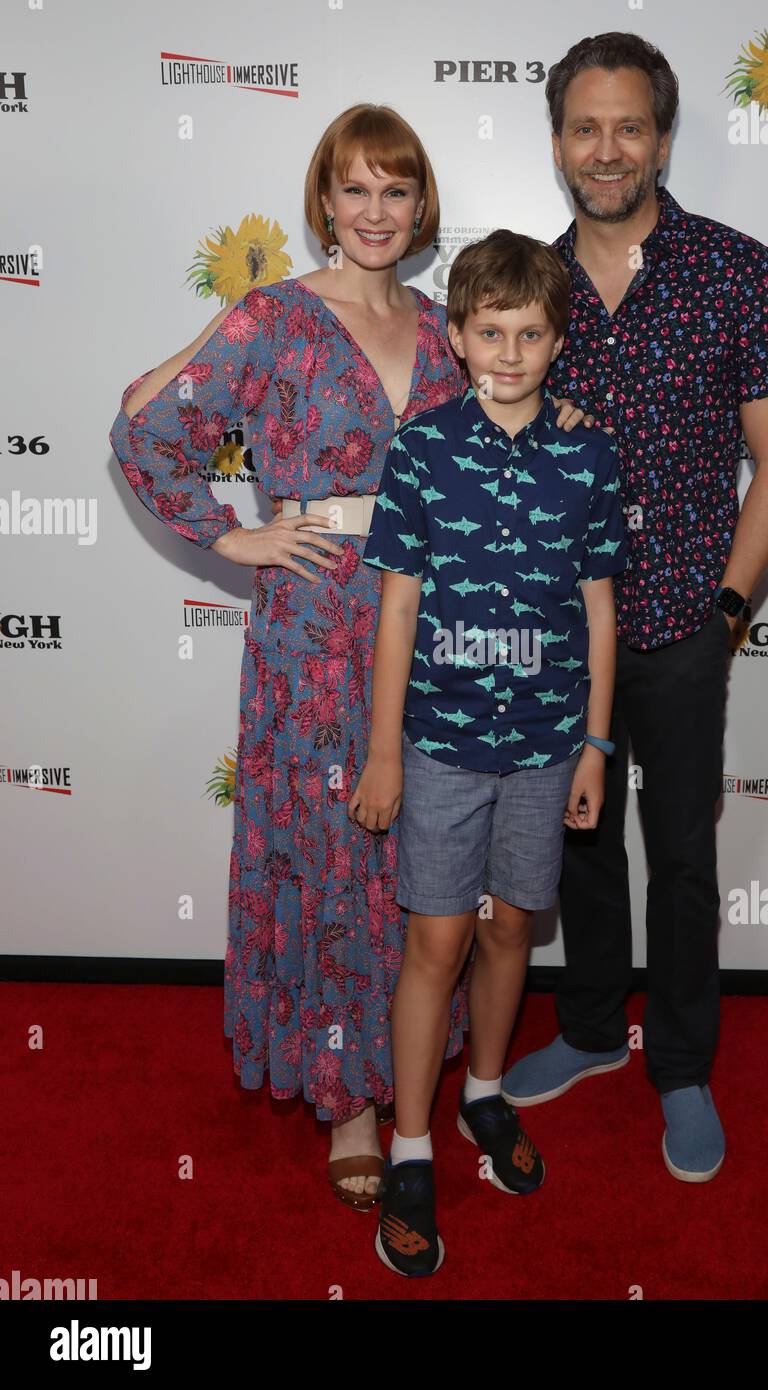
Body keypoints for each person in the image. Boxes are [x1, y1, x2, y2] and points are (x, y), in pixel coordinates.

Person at [108, 104, 476, 1211]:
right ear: (324, 200)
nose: (375, 210)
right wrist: (231, 531)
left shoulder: (444, 322)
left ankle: (411, 1062)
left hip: (437, 623)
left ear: (421, 209)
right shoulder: (273, 318)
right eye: (355, 189)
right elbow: (142, 427)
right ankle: (348, 1100)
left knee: (422, 852)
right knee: (330, 861)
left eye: (396, 191)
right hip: (317, 630)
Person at [502, 32, 768, 1183]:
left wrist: (727, 616)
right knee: (576, 842)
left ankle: (680, 1062)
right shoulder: (523, 290)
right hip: (554, 628)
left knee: (681, 854)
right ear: (555, 144)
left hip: (691, 618)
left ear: (664, 138)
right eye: (585, 127)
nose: (607, 149)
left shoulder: (738, 268)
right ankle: (591, 1027)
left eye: (629, 126)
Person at [350, 228, 628, 1275]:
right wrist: (385, 750)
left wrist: (596, 748)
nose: (509, 352)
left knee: (513, 927)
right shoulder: (420, 450)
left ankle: (484, 1092)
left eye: (530, 334)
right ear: (456, 337)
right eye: (488, 332)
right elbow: (396, 609)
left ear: (558, 341)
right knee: (435, 943)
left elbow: (601, 613)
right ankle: (412, 1140)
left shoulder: (589, 454)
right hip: (439, 747)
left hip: (551, 746)